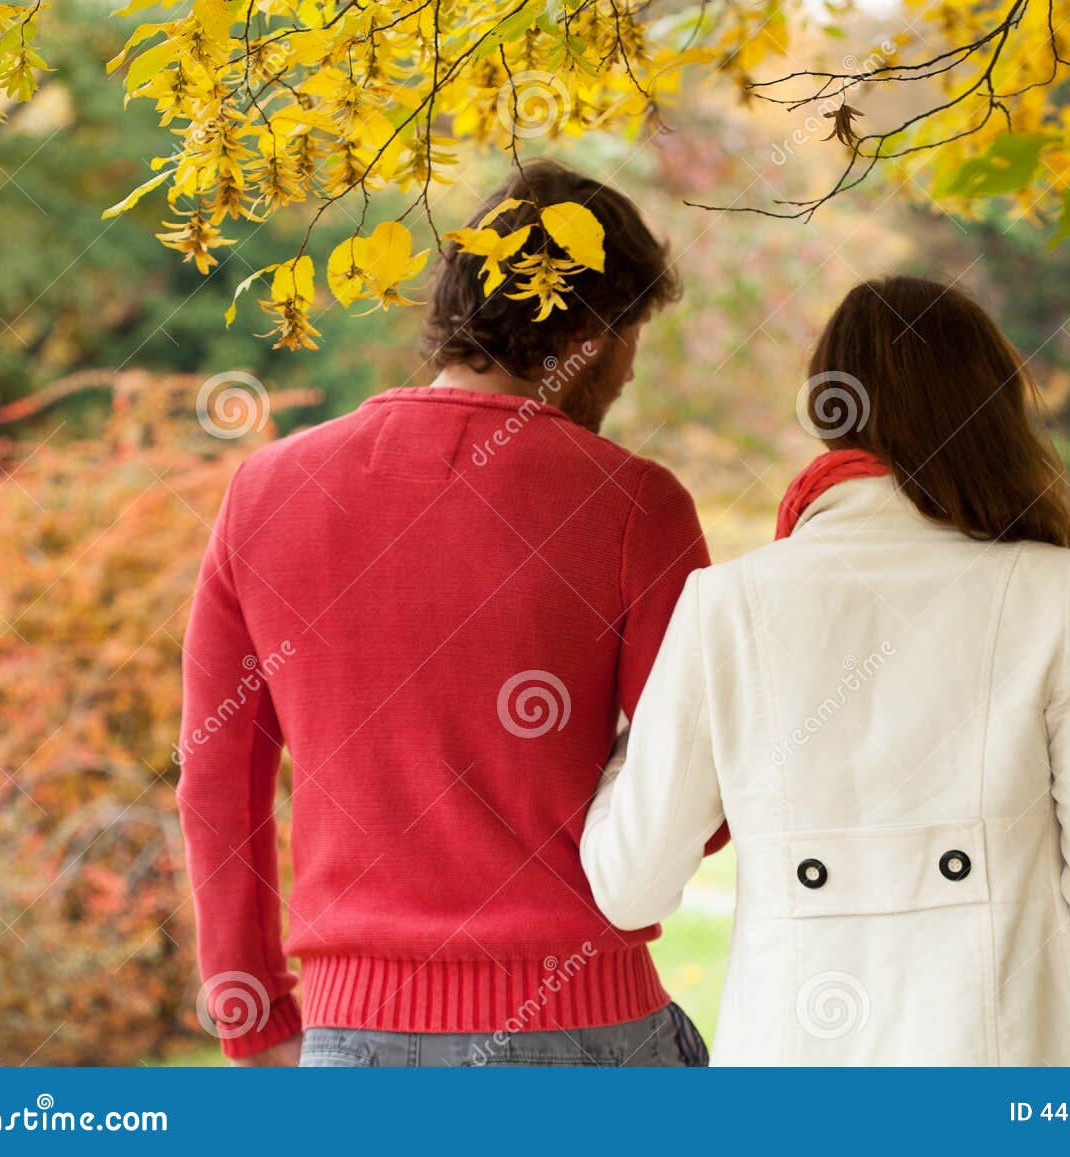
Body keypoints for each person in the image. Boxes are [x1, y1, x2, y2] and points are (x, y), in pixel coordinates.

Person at [177, 159, 715, 1068]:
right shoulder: (636, 505)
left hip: (355, 1040)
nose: (626, 375)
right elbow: (704, 780)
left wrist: (251, 1008)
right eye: (632, 338)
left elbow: (217, 779)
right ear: (587, 329)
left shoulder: (266, 490)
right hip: (587, 1028)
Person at [581, 276, 1070, 1065]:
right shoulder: (1054, 590)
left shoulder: (726, 603)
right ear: (993, 410)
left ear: (829, 410)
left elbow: (630, 885)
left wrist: (621, 739)